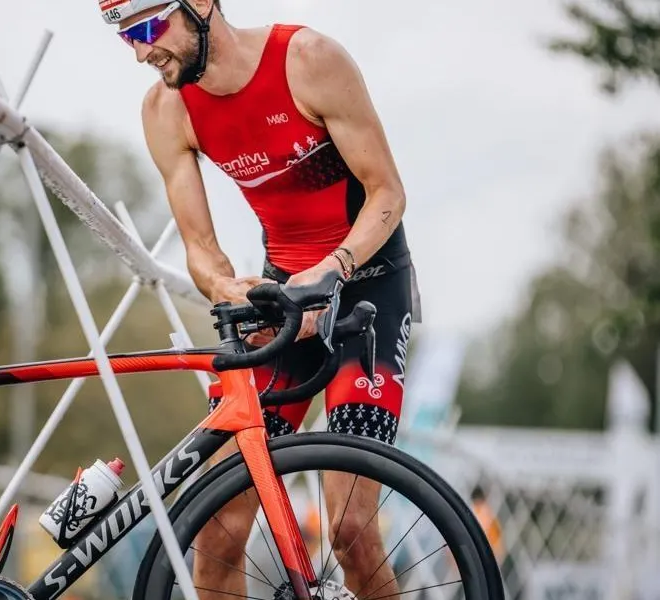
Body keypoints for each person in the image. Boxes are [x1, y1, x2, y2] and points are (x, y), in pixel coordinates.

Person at [99, 1, 421, 597]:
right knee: (217, 531)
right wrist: (225, 287)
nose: (141, 52)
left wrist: (330, 272)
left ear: (199, 5)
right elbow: (201, 250)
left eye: (147, 27)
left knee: (350, 530)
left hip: (366, 293)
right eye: (125, 37)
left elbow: (387, 194)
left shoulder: (309, 60)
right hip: (285, 302)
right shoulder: (166, 108)